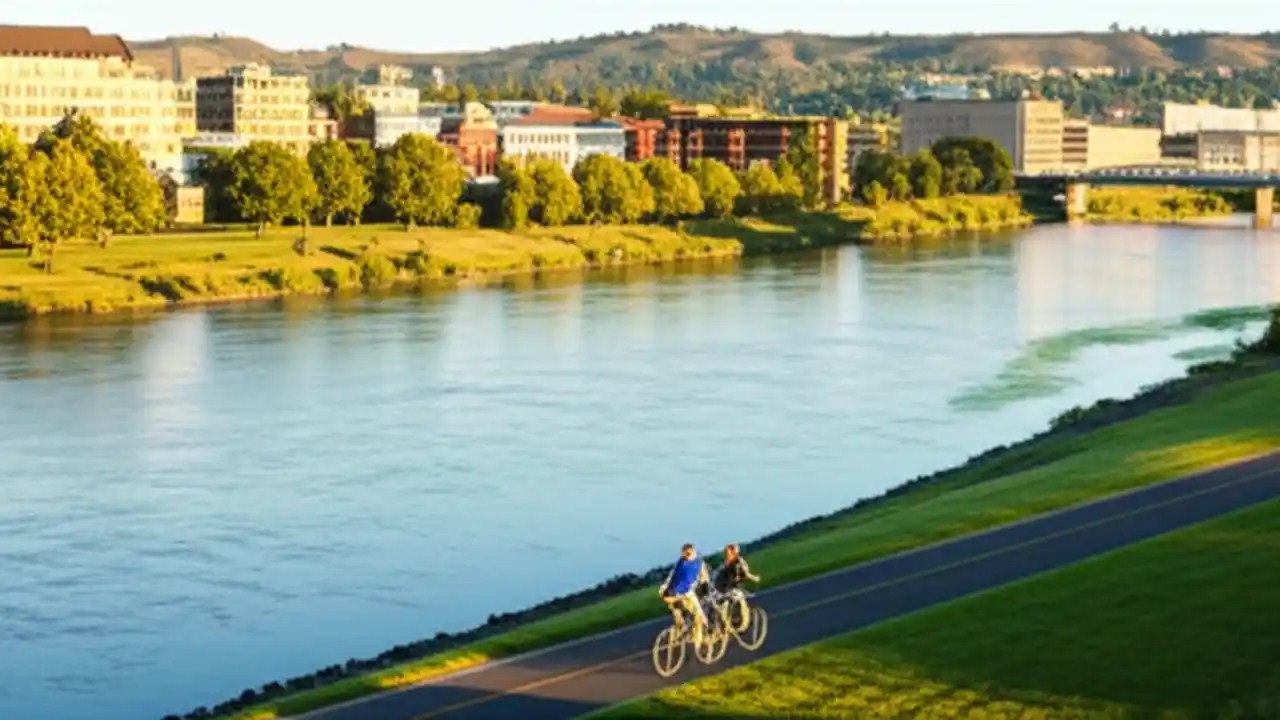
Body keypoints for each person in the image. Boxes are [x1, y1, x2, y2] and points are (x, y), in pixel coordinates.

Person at [659, 543, 711, 646]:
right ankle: (691, 634)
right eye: (686, 554)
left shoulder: (689, 562)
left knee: (692, 613)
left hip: (680, 593)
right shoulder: (687, 564)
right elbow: (672, 579)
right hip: (680, 593)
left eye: (688, 553)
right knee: (693, 613)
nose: (687, 555)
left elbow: (703, 577)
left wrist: (705, 587)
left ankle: (689, 632)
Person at [713, 544, 760, 632]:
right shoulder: (736, 561)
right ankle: (742, 624)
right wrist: (755, 578)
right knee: (741, 599)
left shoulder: (725, 564)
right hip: (728, 587)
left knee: (725, 604)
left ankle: (725, 624)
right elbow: (746, 574)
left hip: (722, 588)